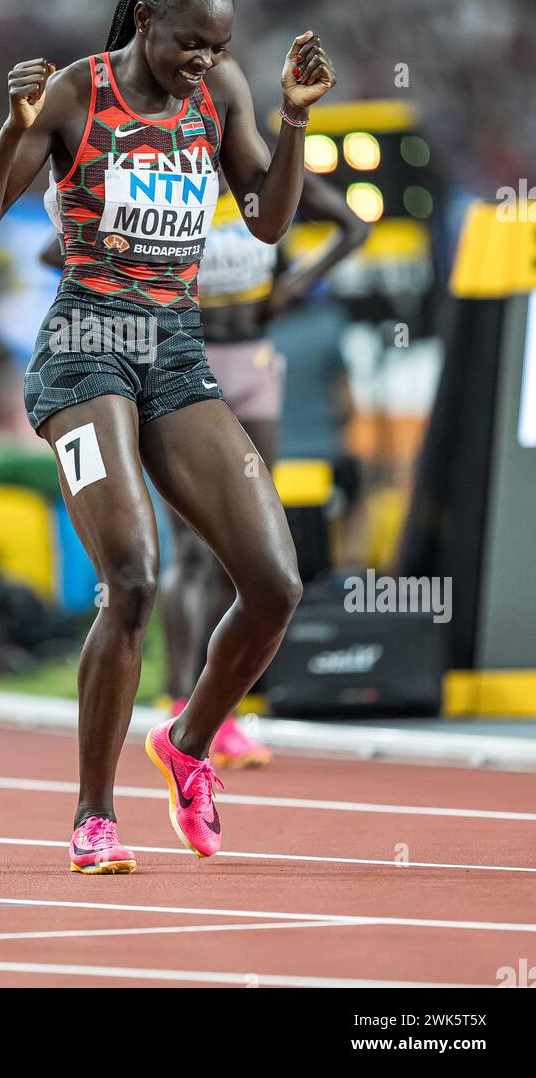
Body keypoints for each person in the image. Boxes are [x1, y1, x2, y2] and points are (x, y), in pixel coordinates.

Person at [0, 0, 336, 871]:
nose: (201, 59)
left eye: (216, 44)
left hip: (175, 349)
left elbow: (272, 220)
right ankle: (93, 814)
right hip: (86, 346)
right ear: (146, 17)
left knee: (275, 581)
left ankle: (188, 744)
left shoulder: (222, 92)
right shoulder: (77, 91)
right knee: (132, 576)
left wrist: (292, 120)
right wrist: (12, 129)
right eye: (186, 41)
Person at [160, 173, 369, 768]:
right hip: (184, 360)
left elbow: (355, 226)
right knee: (193, 553)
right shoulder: (174, 172)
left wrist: (293, 286)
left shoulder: (265, 176)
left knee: (247, 550)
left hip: (256, 359)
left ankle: (216, 717)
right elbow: (59, 251)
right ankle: (178, 706)